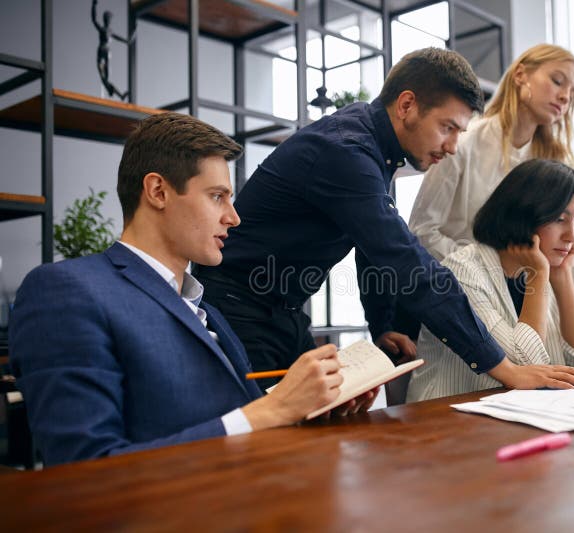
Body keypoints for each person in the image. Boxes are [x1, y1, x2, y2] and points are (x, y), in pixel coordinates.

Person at [194, 47, 574, 393]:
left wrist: (381, 324)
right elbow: (406, 261)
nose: (453, 147)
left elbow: (371, 247)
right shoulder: (345, 152)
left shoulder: (372, 149)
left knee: (321, 418)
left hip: (283, 308)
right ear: (406, 106)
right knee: (270, 438)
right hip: (238, 304)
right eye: (447, 128)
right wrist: (503, 367)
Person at [9, 112, 375, 466]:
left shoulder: (208, 308)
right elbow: (85, 469)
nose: (234, 217)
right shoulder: (65, 291)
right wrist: (273, 410)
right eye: (217, 196)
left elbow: (237, 417)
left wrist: (313, 405)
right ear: (158, 191)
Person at [407, 43, 574, 369]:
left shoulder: (557, 160)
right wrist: (488, 273)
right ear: (520, 76)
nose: (565, 97)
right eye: (558, 81)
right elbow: (423, 229)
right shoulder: (465, 142)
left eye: (572, 92)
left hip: (528, 284)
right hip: (466, 289)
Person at [407, 159, 574, 401]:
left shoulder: (543, 270)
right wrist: (539, 276)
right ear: (524, 213)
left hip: (510, 416)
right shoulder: (463, 271)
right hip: (448, 419)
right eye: (560, 219)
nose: (572, 236)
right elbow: (523, 366)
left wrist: (563, 276)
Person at [91, 0, 134, 101]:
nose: (108, 21)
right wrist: (94, 5)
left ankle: (114, 92)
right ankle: (116, 93)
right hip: (101, 53)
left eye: (109, 19)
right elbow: (93, 19)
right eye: (106, 19)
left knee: (106, 79)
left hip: (106, 54)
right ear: (105, 20)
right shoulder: (102, 29)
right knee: (104, 78)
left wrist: (127, 41)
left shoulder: (110, 31)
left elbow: (119, 38)